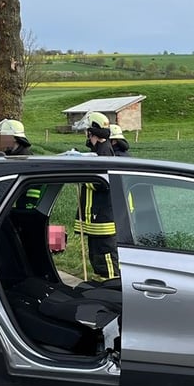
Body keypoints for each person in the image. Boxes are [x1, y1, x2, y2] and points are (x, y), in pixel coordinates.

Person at [72, 111, 119, 279]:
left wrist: (81, 175)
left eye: (88, 132)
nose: (87, 135)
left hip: (102, 218)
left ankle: (113, 287)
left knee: (105, 256)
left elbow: (103, 183)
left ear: (94, 132)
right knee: (97, 256)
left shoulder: (104, 152)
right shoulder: (100, 150)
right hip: (96, 218)